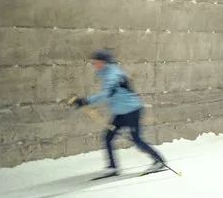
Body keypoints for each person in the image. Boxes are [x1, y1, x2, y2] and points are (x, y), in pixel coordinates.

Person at [71, 49, 167, 178]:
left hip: (132, 110)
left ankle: (159, 161)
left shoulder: (112, 75)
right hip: (121, 112)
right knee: (108, 137)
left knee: (137, 140)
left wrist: (86, 101)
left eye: (96, 62)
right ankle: (112, 167)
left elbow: (106, 94)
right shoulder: (108, 73)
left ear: (104, 62)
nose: (94, 64)